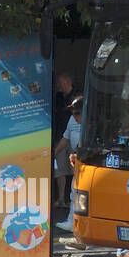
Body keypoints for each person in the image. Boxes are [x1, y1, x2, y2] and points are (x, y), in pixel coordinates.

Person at [54, 96, 83, 230]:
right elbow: (66, 138)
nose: (74, 116)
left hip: (87, 165)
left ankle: (77, 224)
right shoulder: (73, 120)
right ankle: (73, 222)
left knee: (79, 193)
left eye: (77, 113)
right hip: (79, 161)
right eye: (73, 113)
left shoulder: (92, 124)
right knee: (74, 191)